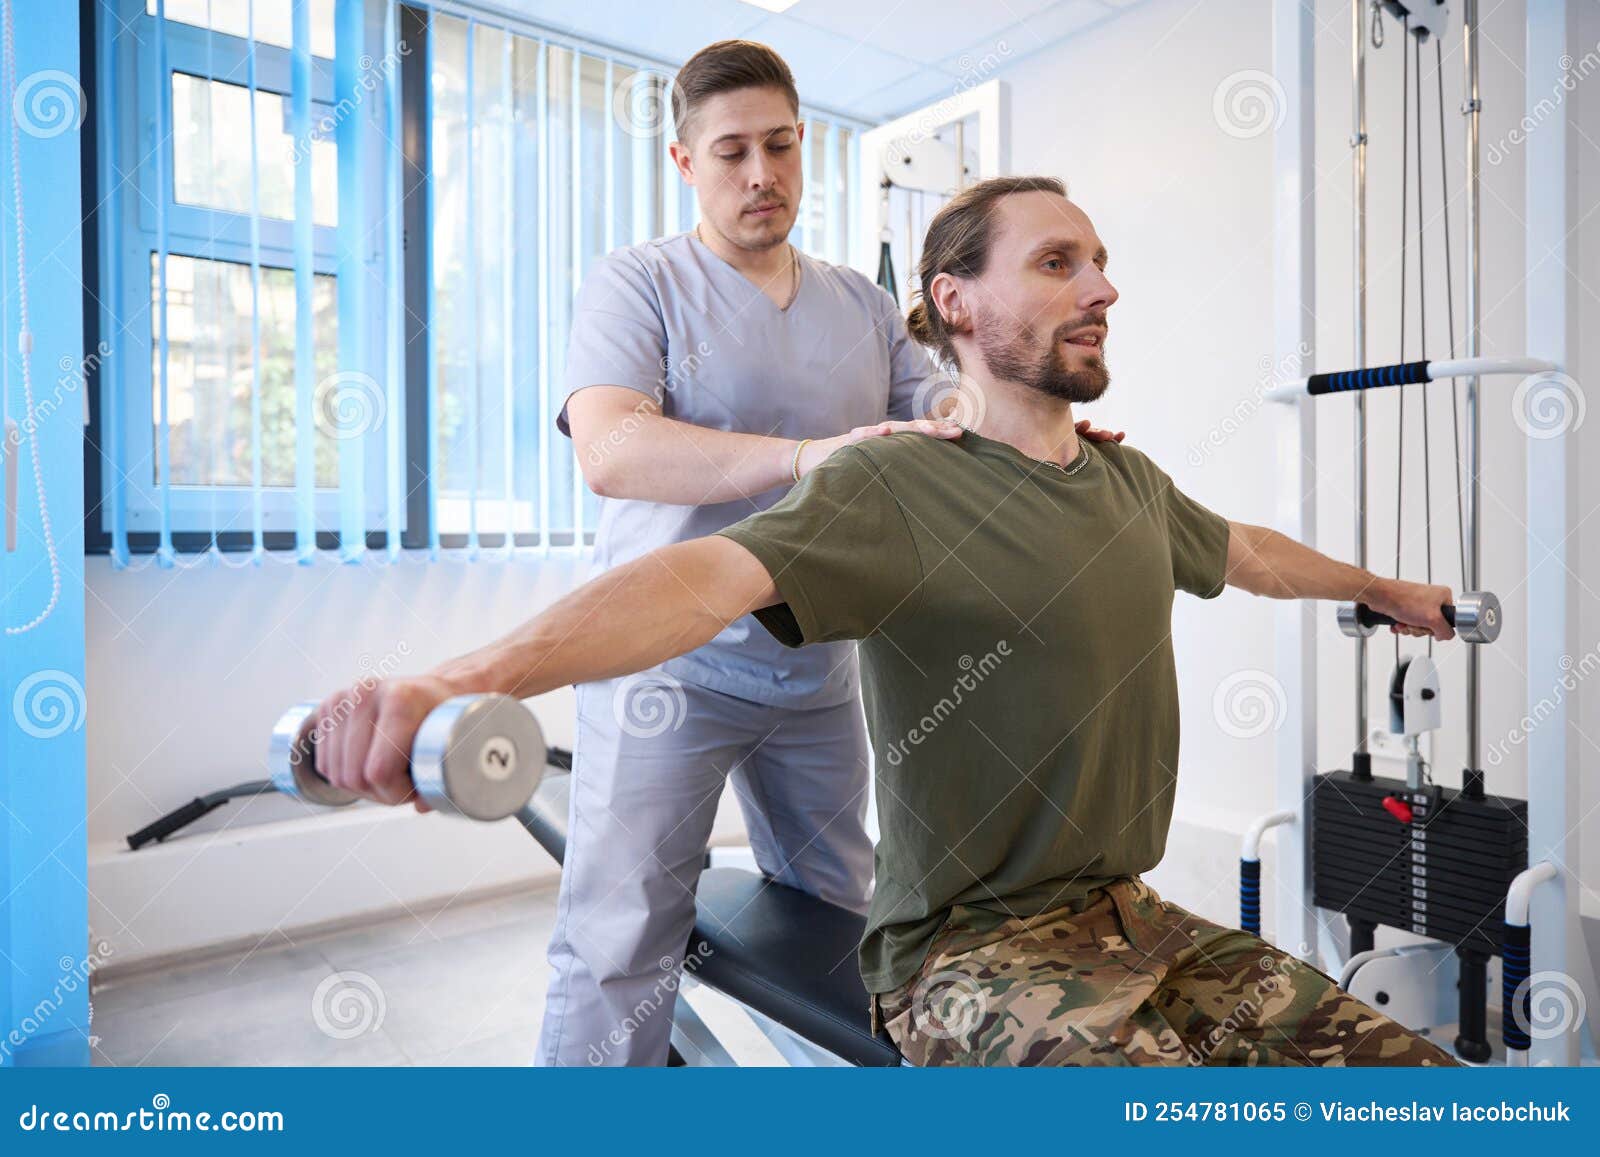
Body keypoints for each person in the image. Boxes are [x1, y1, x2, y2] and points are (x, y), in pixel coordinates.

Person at [313, 176, 1456, 1066]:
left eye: (1100, 265)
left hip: (1146, 924)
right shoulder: (896, 486)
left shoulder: (1130, 484)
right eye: (1057, 263)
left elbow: (1246, 550)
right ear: (955, 301)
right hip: (975, 959)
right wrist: (468, 674)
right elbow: (700, 579)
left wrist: (1389, 589)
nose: (1101, 290)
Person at [532, 37, 1125, 1067]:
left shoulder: (855, 301)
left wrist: (1040, 431)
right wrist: (808, 454)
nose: (761, 174)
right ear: (684, 163)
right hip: (670, 667)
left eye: (780, 145)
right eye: (730, 153)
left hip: (815, 672)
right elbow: (611, 449)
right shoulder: (640, 284)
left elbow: (944, 420)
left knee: (834, 918)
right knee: (620, 937)